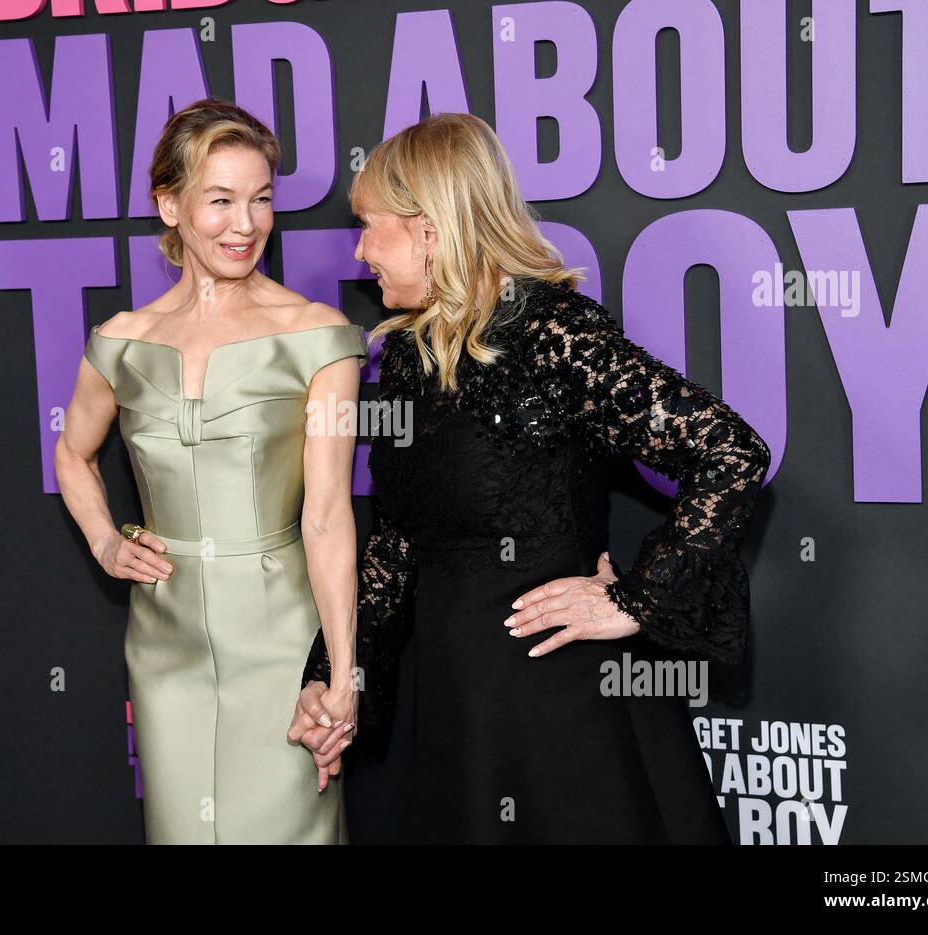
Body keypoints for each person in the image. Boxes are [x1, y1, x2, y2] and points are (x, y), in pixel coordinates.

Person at [288, 113, 772, 844]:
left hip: (561, 702)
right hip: (461, 704)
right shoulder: (413, 358)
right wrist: (334, 678)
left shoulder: (554, 335)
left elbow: (729, 452)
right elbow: (396, 543)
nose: (360, 251)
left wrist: (637, 599)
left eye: (370, 225)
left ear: (429, 227)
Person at [57, 97, 367, 844]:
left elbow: (326, 515)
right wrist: (104, 539)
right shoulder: (123, 342)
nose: (246, 224)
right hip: (167, 643)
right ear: (169, 205)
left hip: (283, 636)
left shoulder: (317, 336)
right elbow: (72, 450)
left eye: (261, 199)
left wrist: (343, 671)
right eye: (220, 200)